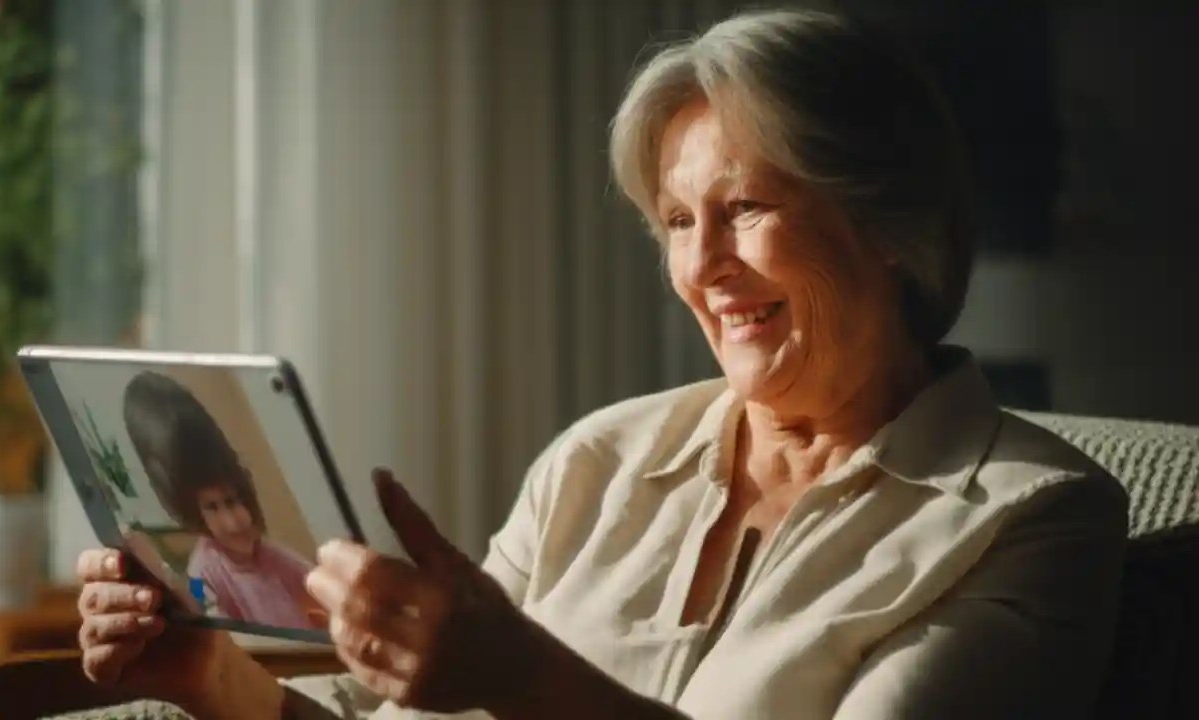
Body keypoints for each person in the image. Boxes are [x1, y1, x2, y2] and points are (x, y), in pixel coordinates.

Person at [73, 8, 1127, 719]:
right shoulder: (601, 459)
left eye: (745, 207)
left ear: (886, 220)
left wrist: (523, 677)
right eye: (678, 221)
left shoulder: (1035, 518)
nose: (701, 267)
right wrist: (208, 676)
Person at [122, 371, 320, 631]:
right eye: (212, 507)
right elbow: (207, 614)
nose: (233, 521)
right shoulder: (201, 574)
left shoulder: (268, 554)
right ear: (195, 513)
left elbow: (314, 580)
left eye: (232, 501)